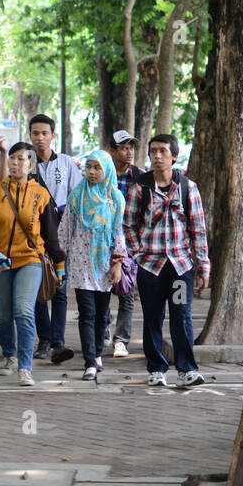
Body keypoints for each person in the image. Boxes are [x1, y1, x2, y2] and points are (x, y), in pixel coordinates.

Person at [123, 133, 210, 388]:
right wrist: (139, 253)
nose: (157, 156)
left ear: (174, 156)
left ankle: (187, 370)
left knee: (181, 315)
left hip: (181, 266)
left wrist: (203, 265)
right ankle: (156, 368)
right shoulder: (141, 187)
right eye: (153, 151)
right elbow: (128, 225)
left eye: (162, 151)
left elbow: (198, 229)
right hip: (150, 267)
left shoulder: (187, 187)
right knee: (152, 316)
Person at [0, 140, 65, 387]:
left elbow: (51, 235)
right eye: (12, 158)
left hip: (30, 260)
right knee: (4, 314)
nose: (15, 163)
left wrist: (60, 266)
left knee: (24, 311)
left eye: (20, 159)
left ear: (30, 164)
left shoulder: (41, 194)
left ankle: (25, 367)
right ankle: (9, 355)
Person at [58, 150, 127, 379]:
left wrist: (117, 264)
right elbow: (65, 230)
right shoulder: (77, 196)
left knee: (101, 314)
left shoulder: (115, 198)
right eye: (89, 167)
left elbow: (118, 232)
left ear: (106, 169)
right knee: (86, 313)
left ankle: (97, 354)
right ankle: (89, 361)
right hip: (80, 264)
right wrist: (60, 262)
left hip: (104, 266)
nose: (92, 172)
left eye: (97, 167)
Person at [27, 113, 81, 364]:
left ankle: (58, 341)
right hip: (33, 237)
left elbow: (76, 197)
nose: (40, 138)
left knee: (59, 288)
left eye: (44, 133)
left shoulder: (67, 163)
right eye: (35, 133)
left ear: (53, 136)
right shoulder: (25, 163)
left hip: (60, 235)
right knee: (37, 288)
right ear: (30, 136)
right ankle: (44, 339)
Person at [103, 130, 145, 356]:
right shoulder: (102, 174)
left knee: (126, 290)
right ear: (113, 150)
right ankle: (104, 329)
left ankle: (122, 339)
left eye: (131, 147)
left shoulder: (140, 176)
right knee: (102, 289)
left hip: (129, 240)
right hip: (102, 241)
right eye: (123, 148)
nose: (128, 152)